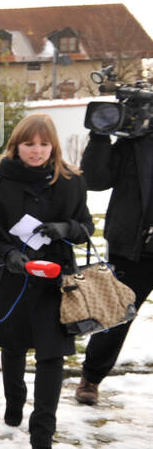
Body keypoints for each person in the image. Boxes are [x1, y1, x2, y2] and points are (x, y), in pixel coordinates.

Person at [0, 113, 92, 449]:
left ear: (53, 146)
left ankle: (42, 437)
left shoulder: (71, 182)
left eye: (43, 144)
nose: (36, 151)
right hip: (16, 279)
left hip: (56, 282)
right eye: (28, 144)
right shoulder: (0, 183)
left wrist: (64, 226)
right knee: (14, 345)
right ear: (15, 146)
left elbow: (85, 227)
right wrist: (6, 253)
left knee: (52, 356)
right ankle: (14, 399)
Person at [74, 121, 153, 405]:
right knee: (115, 316)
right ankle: (91, 378)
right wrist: (100, 136)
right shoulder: (136, 141)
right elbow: (95, 180)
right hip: (134, 246)